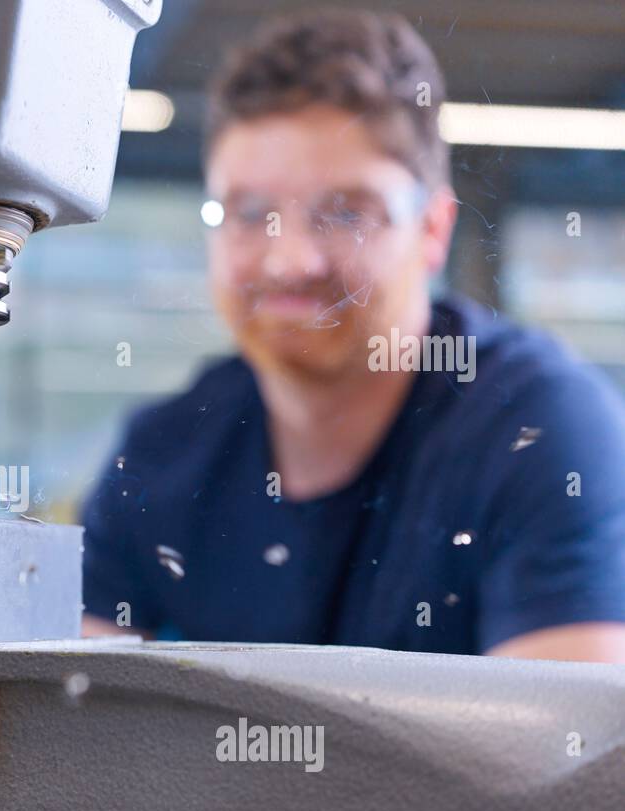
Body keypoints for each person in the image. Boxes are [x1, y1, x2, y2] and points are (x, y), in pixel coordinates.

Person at [81, 8, 625, 662]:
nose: (291, 260)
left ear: (432, 229)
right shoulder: (161, 456)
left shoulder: (538, 431)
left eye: (346, 213)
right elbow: (68, 728)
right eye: (251, 212)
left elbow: (557, 753)